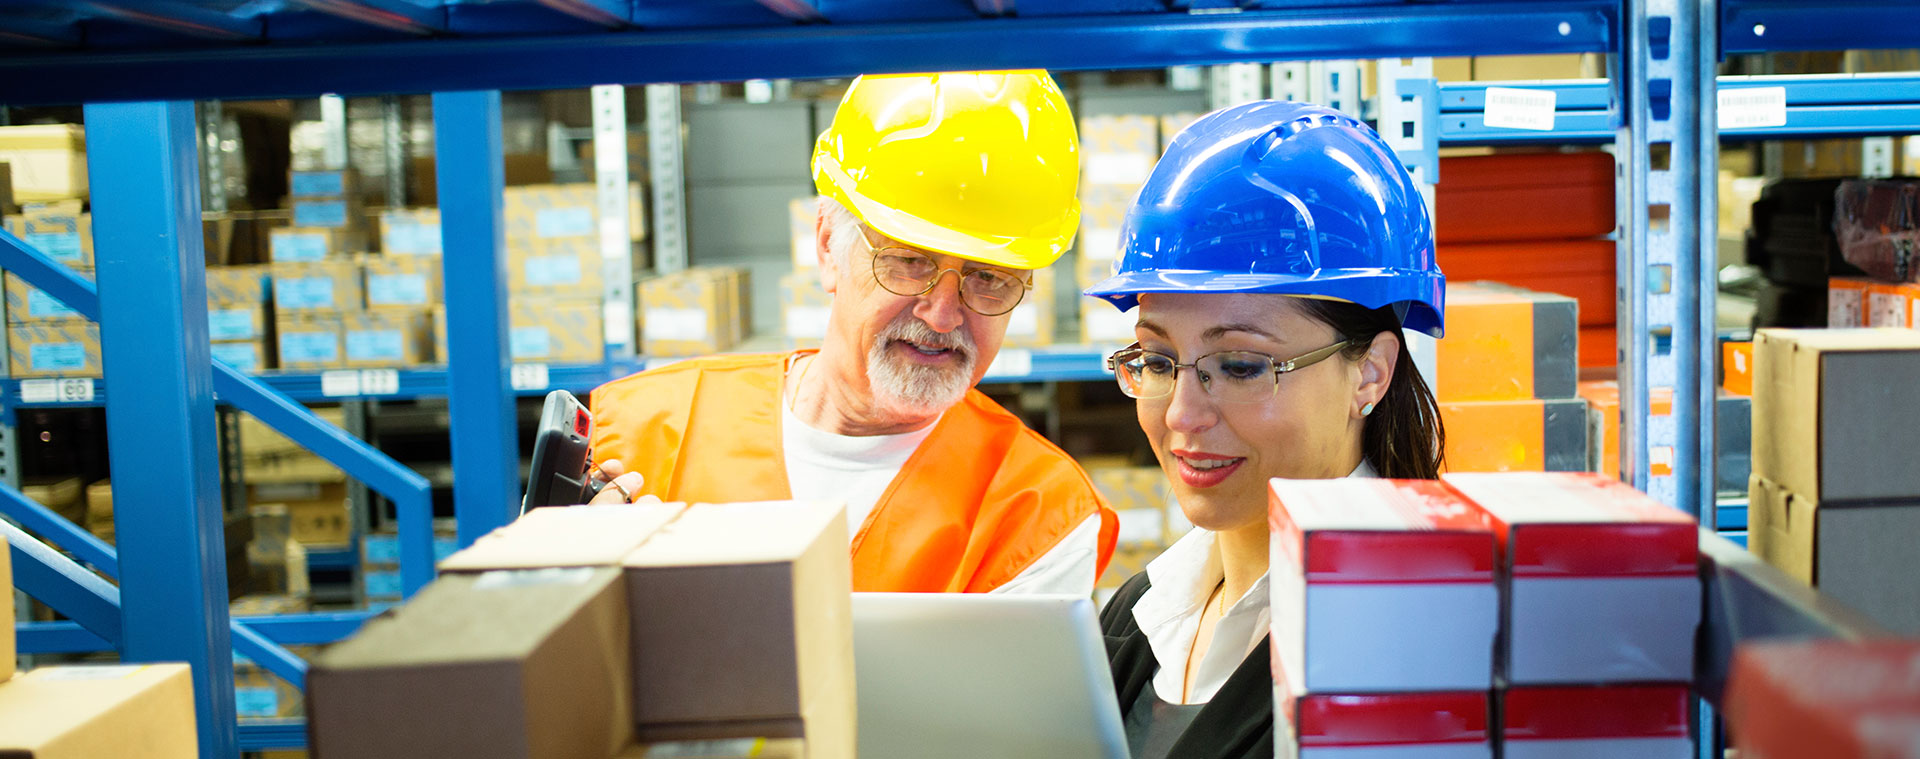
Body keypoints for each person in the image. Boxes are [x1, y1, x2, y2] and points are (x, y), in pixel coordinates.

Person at [586, 70, 1118, 595]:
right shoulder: (632, 440)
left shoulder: (1040, 515)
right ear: (827, 246)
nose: (942, 315)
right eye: (908, 261)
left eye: (989, 278)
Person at [1081, 101, 1448, 759]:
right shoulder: (1139, 612)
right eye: (1158, 362)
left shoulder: (1414, 649)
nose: (1181, 414)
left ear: (1370, 374)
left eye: (1241, 366)